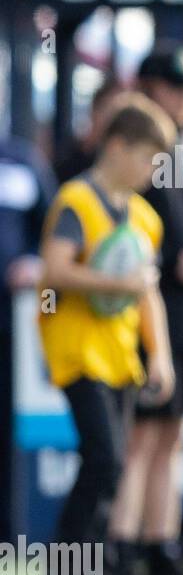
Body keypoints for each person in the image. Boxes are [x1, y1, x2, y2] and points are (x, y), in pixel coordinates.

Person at [32, 96, 175, 575]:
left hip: (119, 356)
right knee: (105, 458)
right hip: (77, 350)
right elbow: (54, 271)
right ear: (116, 147)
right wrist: (118, 281)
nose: (153, 171)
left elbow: (148, 292)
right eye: (148, 158)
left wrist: (160, 356)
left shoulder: (142, 218)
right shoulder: (77, 201)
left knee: (114, 468)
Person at [108, 41, 183, 575]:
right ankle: (121, 550)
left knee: (172, 434)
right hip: (150, 307)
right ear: (147, 88)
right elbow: (120, 231)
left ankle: (161, 547)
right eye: (177, 87)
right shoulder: (135, 147)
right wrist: (179, 262)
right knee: (142, 434)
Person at [1, 135, 55, 539]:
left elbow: (54, 232)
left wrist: (36, 262)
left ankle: (6, 534)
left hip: (9, 328)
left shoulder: (23, 159)